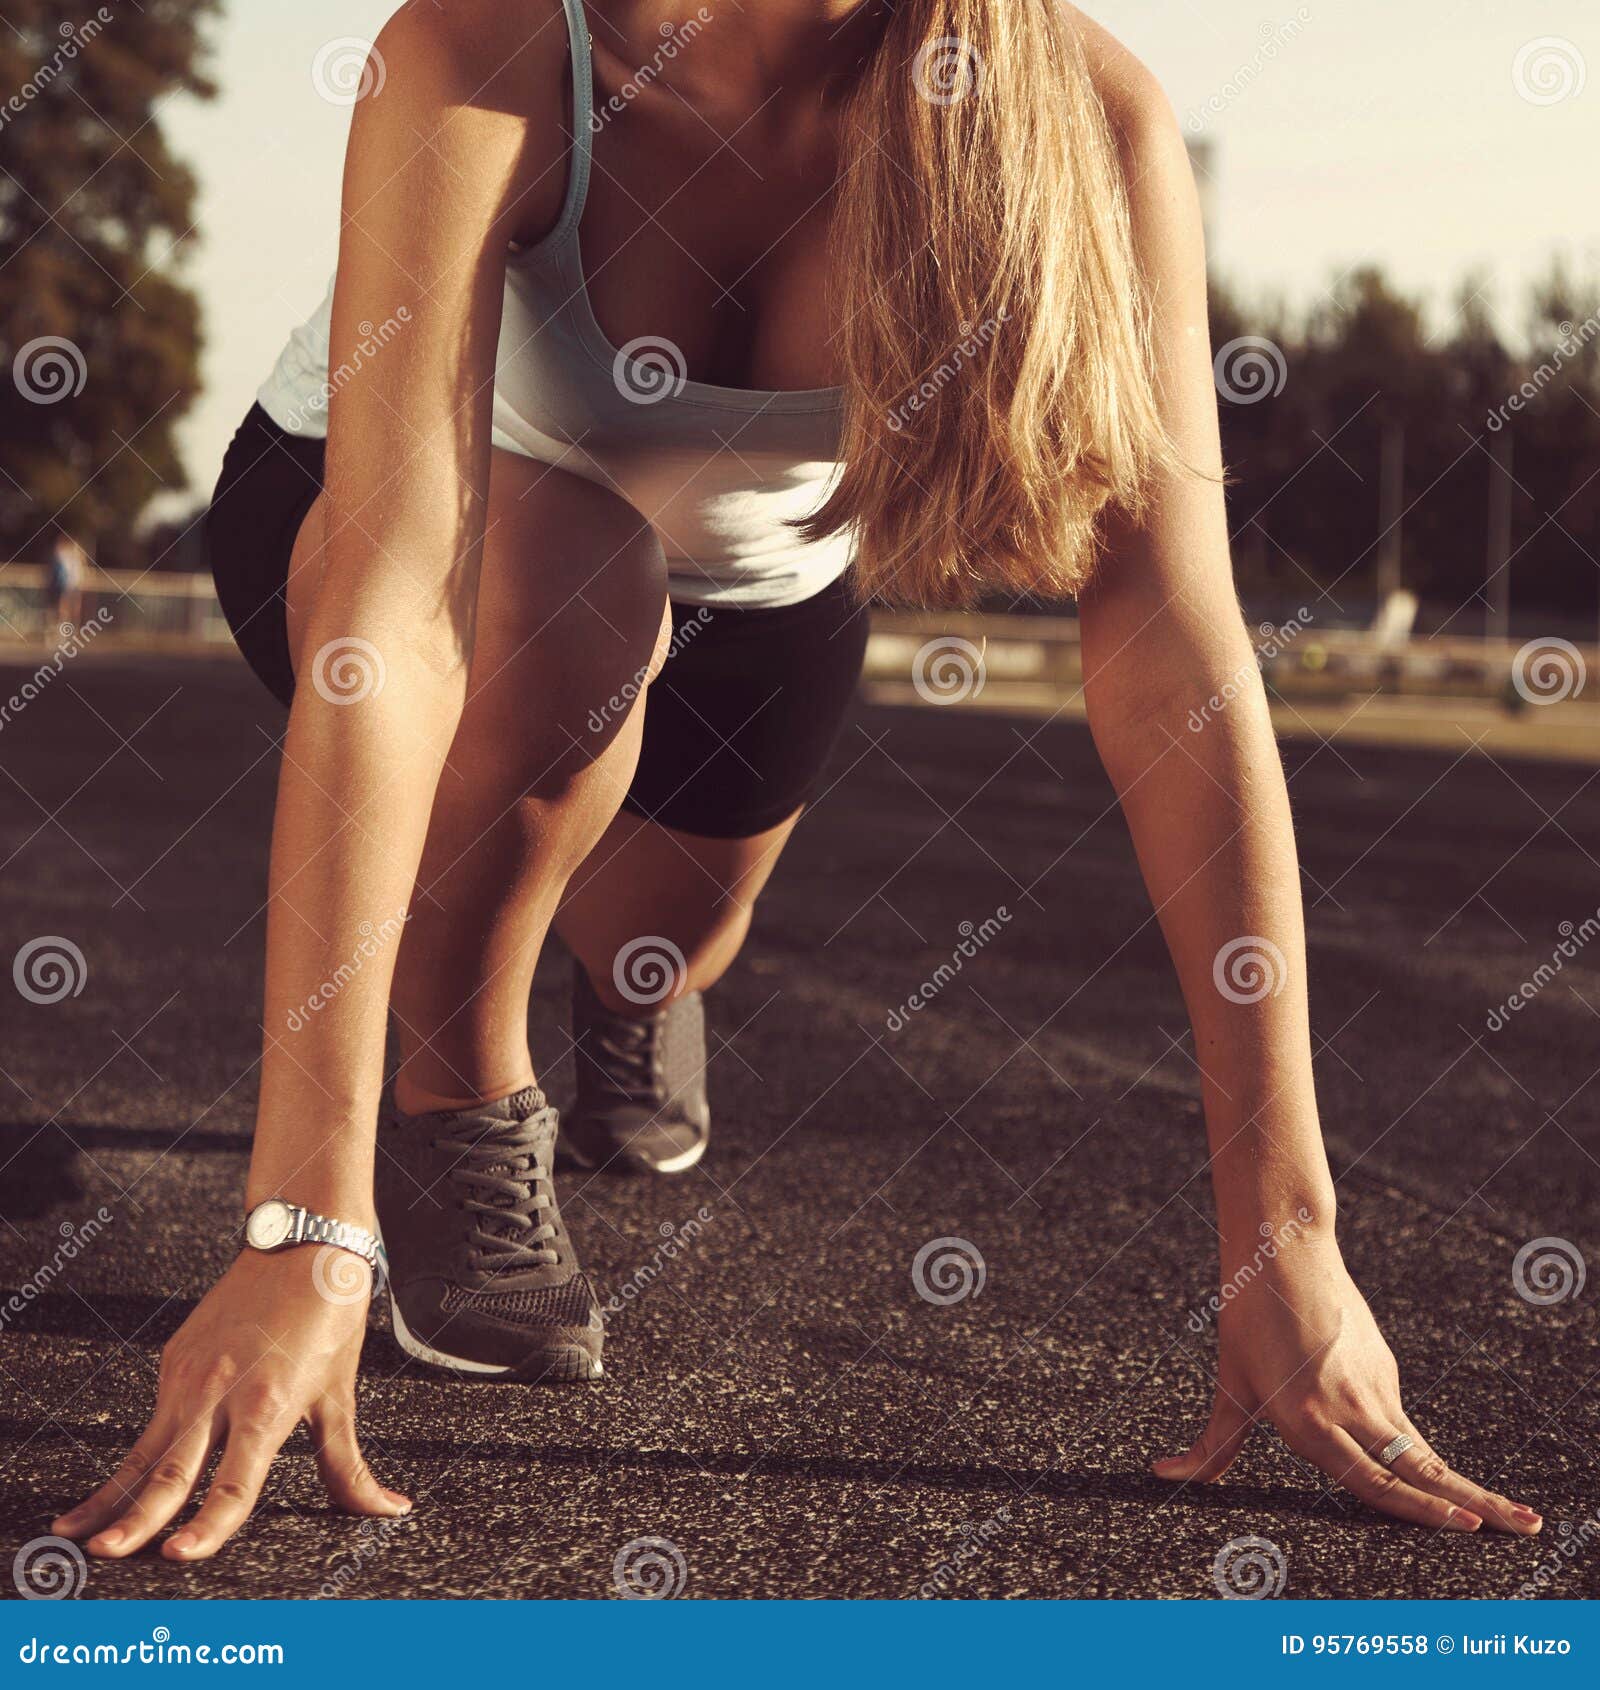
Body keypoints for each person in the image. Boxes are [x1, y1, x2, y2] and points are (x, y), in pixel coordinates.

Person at [53, 0, 1542, 1562]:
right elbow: (391, 621)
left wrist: (1289, 1239)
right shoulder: (489, 44)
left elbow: (1174, 648)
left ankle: (628, 995)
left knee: (669, 941)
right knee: (574, 597)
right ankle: (461, 1092)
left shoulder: (1085, 114)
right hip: (425, 535)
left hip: (763, 589)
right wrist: (305, 1224)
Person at [48, 528, 86, 639]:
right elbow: (58, 552)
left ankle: (73, 630)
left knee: (75, 608)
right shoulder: (63, 554)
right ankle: (63, 629)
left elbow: (81, 568)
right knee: (64, 608)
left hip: (75, 584)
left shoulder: (77, 556)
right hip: (65, 584)